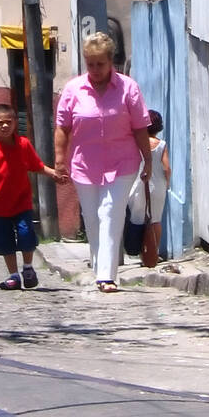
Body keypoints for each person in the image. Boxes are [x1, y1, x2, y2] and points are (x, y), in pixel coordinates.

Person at [54, 31, 151, 293]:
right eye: (91, 64)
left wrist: (148, 161)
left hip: (123, 162)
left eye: (101, 64)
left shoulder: (128, 88)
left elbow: (141, 128)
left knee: (110, 211)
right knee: (93, 216)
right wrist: (60, 160)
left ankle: (107, 275)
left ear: (111, 62)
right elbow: (62, 127)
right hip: (85, 164)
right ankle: (99, 264)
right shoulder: (74, 89)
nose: (95, 70)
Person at [0, 103, 60, 291]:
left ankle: (28, 269)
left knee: (26, 234)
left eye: (8, 122)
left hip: (22, 203)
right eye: (0, 123)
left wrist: (53, 173)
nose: (4, 126)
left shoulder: (24, 145)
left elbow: (36, 166)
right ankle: (13, 275)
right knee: (5, 242)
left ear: (14, 123)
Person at [127, 110, 172, 262]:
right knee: (156, 219)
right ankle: (152, 253)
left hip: (138, 184)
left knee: (138, 218)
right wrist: (167, 183)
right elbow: (166, 168)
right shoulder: (162, 145)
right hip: (158, 186)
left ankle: (140, 252)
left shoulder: (135, 143)